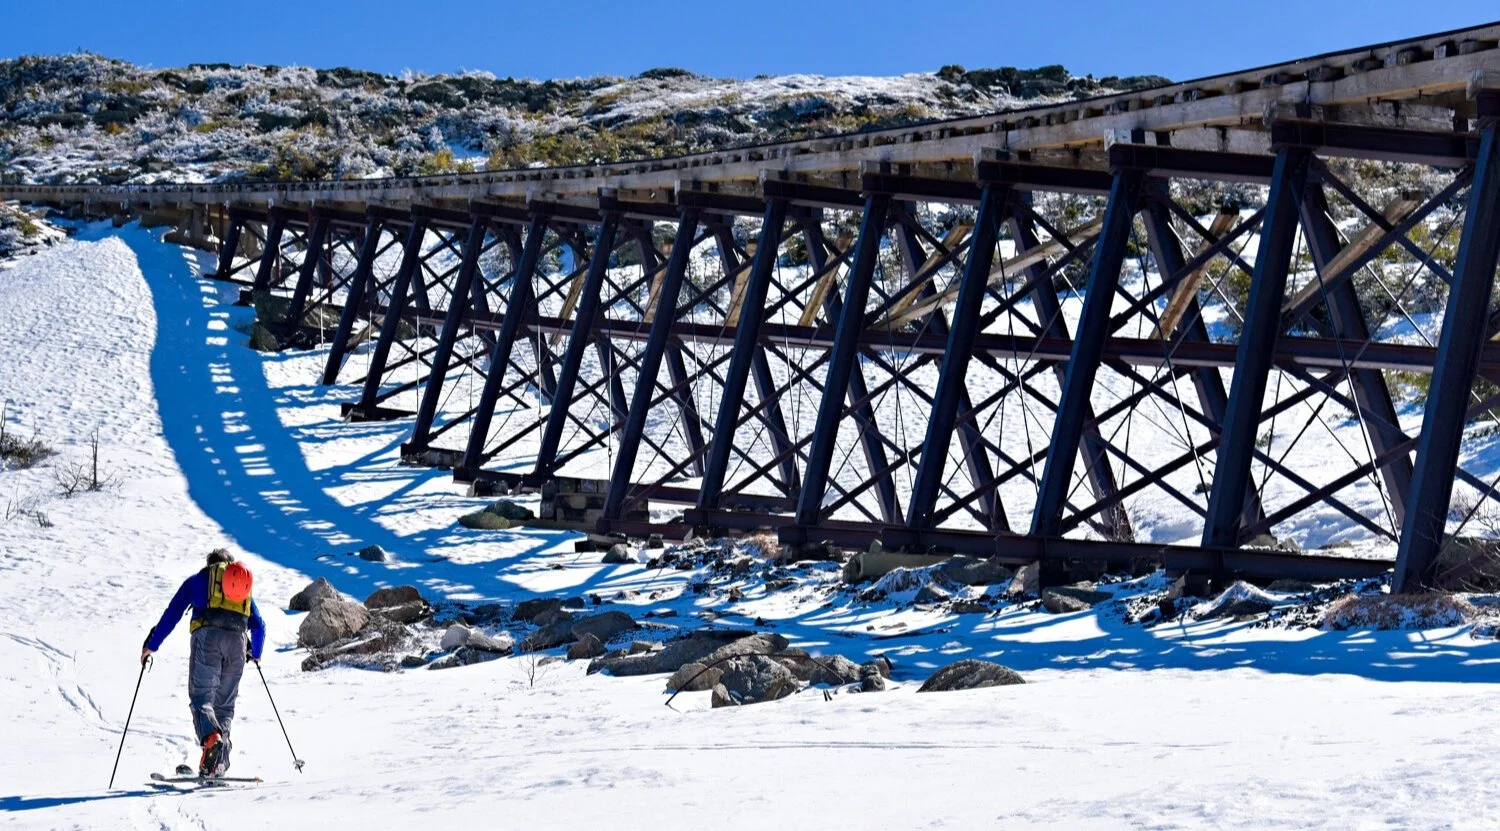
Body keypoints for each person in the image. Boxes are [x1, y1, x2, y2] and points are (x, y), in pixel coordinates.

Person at [141, 549, 265, 777]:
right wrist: (255, 653)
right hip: (237, 646)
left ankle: (212, 740)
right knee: (224, 706)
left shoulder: (201, 580)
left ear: (211, 565)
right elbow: (258, 625)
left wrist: (152, 644)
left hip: (207, 640)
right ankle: (217, 764)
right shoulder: (242, 592)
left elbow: (173, 612)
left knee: (201, 698)